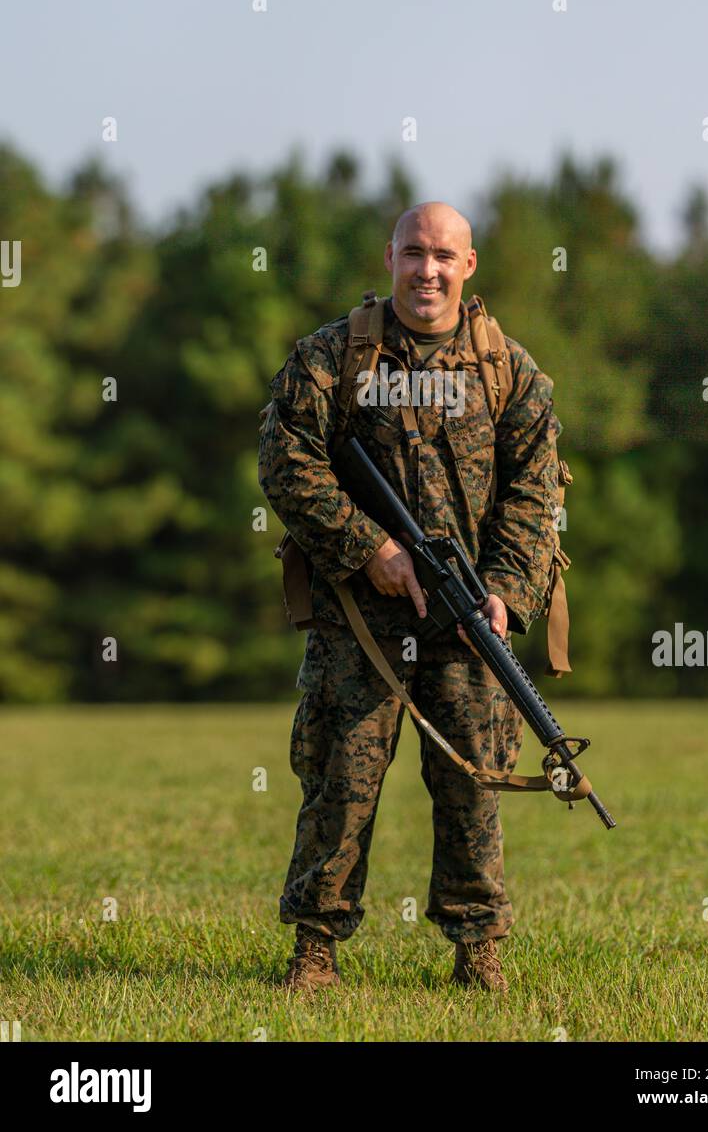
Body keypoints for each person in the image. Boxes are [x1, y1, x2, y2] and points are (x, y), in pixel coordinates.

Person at [258, 200, 562, 994]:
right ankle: (315, 950)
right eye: (413, 252)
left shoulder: (509, 371)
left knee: (472, 784)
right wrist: (372, 549)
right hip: (359, 617)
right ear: (390, 257)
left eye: (443, 256)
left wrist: (504, 594)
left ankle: (477, 948)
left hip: (467, 618)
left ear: (468, 267)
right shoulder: (336, 356)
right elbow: (286, 459)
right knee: (340, 783)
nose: (427, 269)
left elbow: (535, 495)